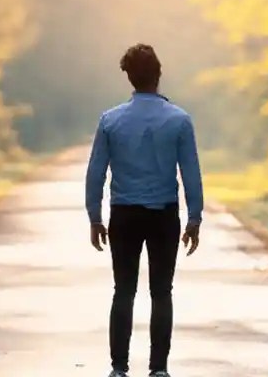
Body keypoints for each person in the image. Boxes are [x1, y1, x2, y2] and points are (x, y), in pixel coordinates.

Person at [85, 43, 204, 377]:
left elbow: (96, 172)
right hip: (163, 215)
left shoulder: (110, 121)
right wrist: (194, 217)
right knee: (161, 292)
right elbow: (190, 171)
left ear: (129, 78)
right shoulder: (179, 120)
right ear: (159, 74)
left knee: (123, 290)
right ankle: (158, 369)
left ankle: (119, 368)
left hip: (124, 214)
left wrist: (95, 217)